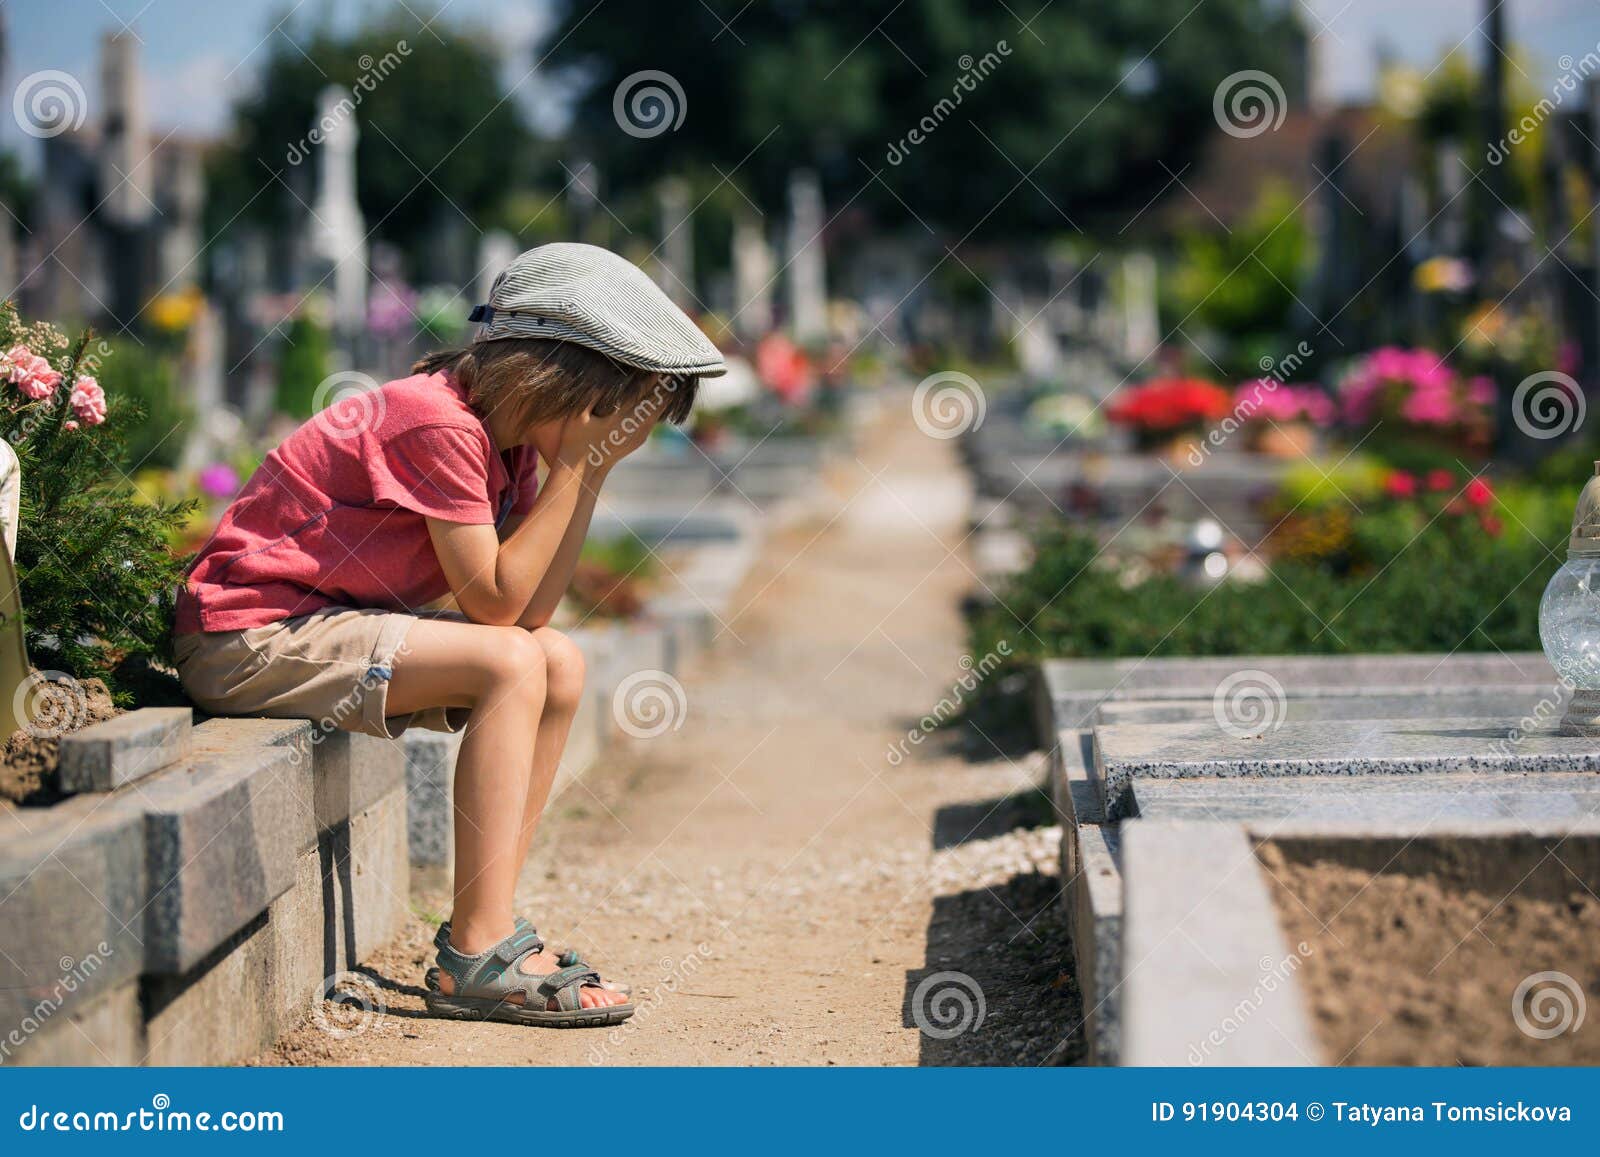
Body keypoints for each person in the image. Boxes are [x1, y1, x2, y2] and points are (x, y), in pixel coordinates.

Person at [174, 243, 725, 1027]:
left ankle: (491, 924)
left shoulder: (506, 446)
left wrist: (583, 469)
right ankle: (478, 950)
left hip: (316, 623)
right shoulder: (436, 420)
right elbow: (497, 610)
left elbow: (532, 615)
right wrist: (580, 468)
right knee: (509, 662)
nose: (616, 430)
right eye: (612, 411)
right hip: (246, 635)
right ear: (554, 374)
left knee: (558, 664)